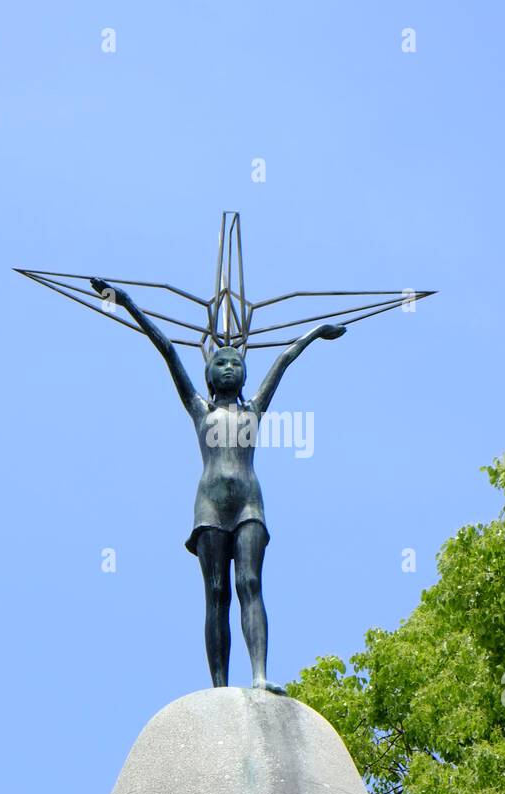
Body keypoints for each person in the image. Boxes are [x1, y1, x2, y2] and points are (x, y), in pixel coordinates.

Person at [90, 277, 345, 693]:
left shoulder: (255, 408)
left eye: (236, 363)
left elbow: (284, 359)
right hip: (209, 507)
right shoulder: (197, 407)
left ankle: (260, 675)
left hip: (248, 504)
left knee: (250, 584)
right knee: (216, 593)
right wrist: (127, 302)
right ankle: (220, 688)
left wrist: (316, 333)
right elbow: (166, 349)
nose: (229, 366)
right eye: (221, 362)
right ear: (208, 371)